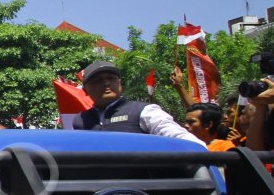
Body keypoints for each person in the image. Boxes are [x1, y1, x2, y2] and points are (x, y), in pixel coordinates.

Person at [74, 61, 204, 144]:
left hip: (139, 186)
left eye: (111, 78)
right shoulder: (80, 120)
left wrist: (202, 152)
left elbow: (180, 137)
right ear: (85, 89)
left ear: (120, 83)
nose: (106, 83)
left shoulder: (145, 111)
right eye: (97, 80)